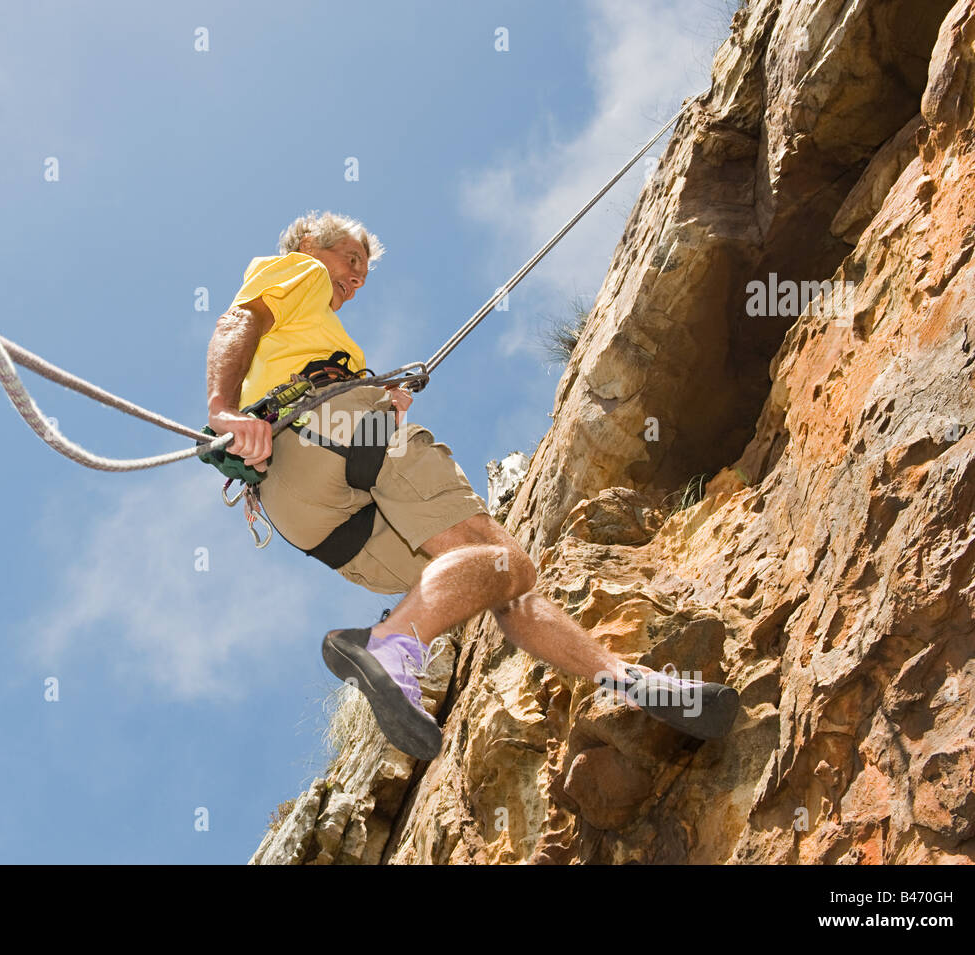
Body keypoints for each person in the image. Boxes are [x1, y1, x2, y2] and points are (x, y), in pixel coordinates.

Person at [205, 210, 738, 760]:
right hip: (332, 431)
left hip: (302, 507)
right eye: (352, 260)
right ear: (313, 243)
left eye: (363, 272)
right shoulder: (300, 271)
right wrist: (222, 411)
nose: (357, 278)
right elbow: (236, 321)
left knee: (504, 577)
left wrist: (373, 398)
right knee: (503, 562)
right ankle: (392, 645)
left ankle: (625, 677)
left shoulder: (304, 335)